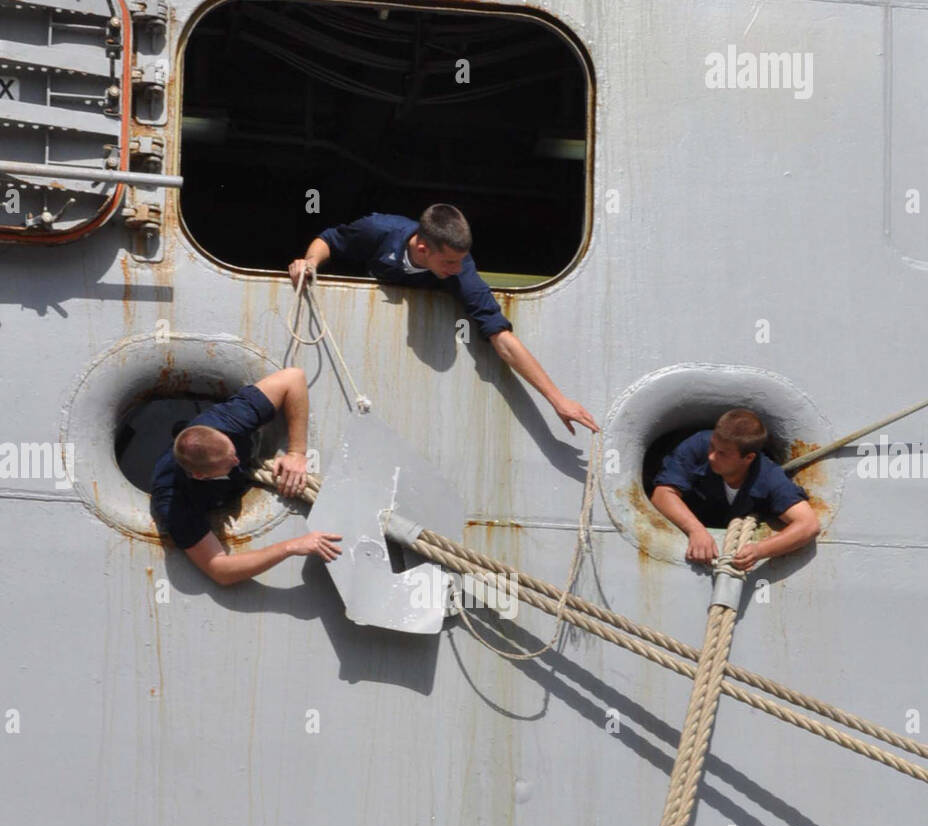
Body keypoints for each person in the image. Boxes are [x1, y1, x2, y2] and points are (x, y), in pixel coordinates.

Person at [289, 203, 598, 436]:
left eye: (460, 260)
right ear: (422, 248)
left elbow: (501, 338)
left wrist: (557, 399)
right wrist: (310, 261)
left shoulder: (460, 270)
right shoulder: (378, 230)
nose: (456, 267)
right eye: (449, 261)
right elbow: (331, 238)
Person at [149, 366, 341, 586]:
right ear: (200, 475)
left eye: (233, 452)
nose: (237, 461)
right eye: (228, 463)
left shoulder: (227, 421)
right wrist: (291, 547)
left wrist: (296, 452)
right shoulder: (174, 500)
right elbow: (220, 570)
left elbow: (293, 377)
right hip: (209, 498)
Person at [650, 408, 820, 570]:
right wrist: (695, 529)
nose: (711, 456)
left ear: (748, 458)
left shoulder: (769, 477)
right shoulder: (698, 445)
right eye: (712, 447)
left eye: (722, 453)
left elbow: (808, 525)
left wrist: (759, 550)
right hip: (698, 520)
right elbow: (662, 494)